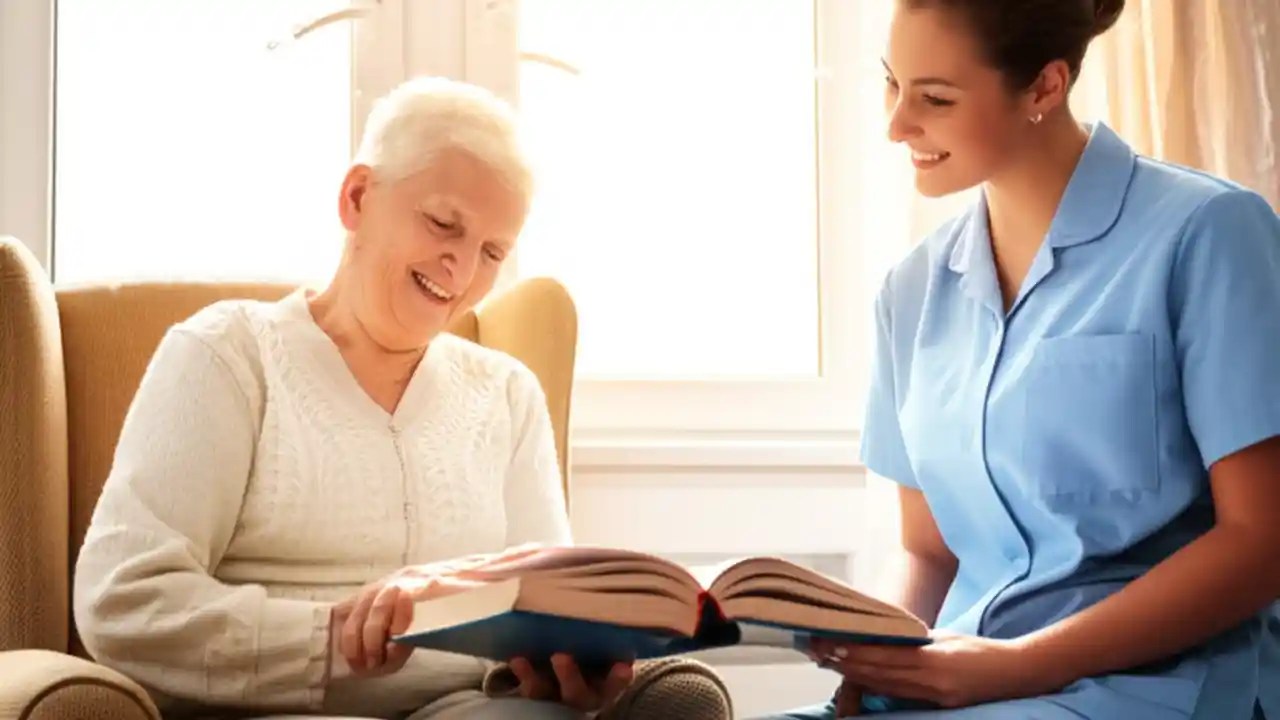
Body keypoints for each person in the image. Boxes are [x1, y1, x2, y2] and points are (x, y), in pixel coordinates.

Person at [758, 0, 1280, 718]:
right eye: (891, 84)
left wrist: (1018, 667)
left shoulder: (1209, 234)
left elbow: (1262, 540)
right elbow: (929, 553)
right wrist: (866, 665)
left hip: (1157, 688)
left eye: (934, 98)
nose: (895, 125)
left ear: (1044, 87)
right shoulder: (910, 290)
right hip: (960, 686)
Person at [72, 77, 645, 719]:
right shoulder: (227, 353)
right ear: (357, 197)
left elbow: (542, 603)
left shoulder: (507, 394)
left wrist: (559, 670)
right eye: (442, 223)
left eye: (491, 251)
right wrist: (337, 638)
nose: (460, 267)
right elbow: (122, 601)